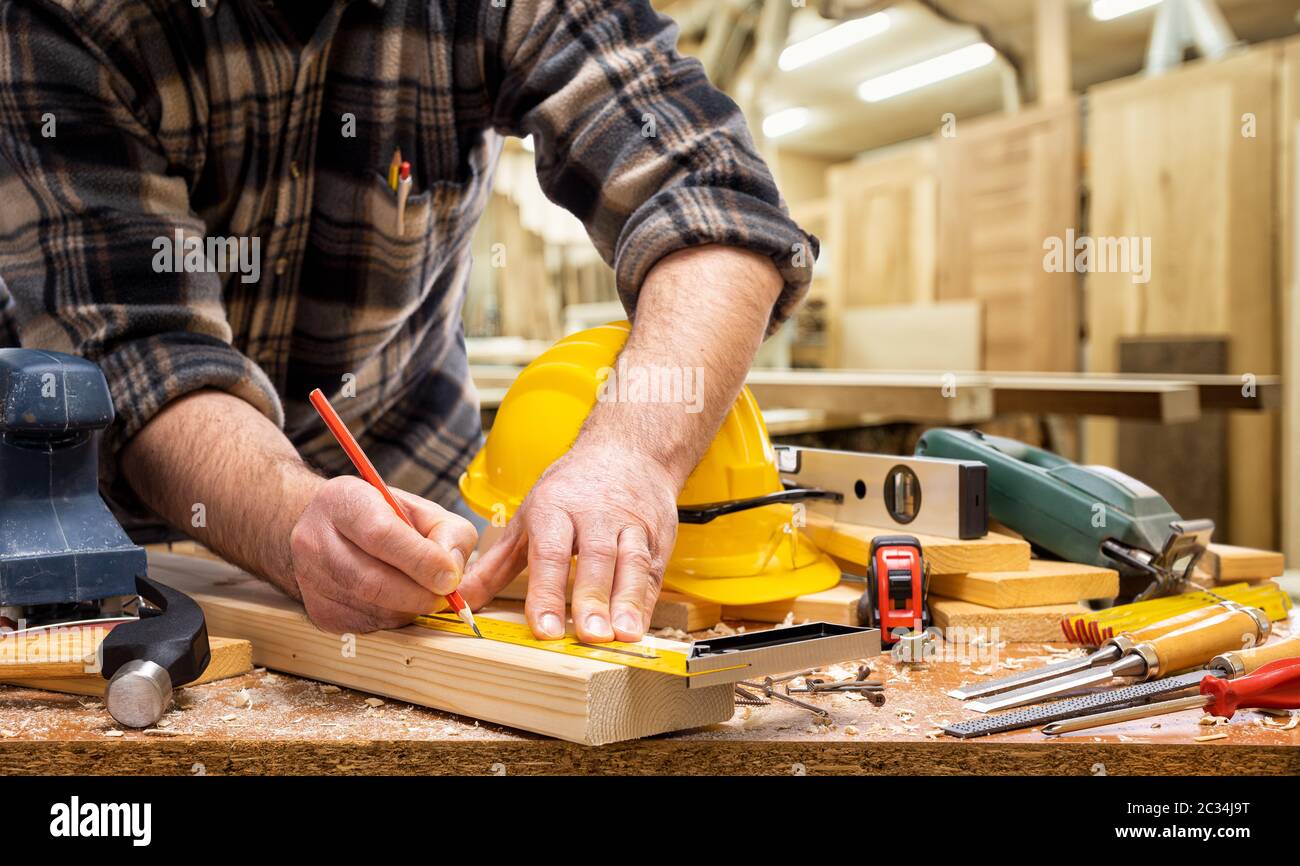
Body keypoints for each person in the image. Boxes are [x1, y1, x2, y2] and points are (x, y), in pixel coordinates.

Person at [0, 0, 815, 642]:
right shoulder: (65, 17)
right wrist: (290, 519)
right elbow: (144, 361)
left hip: (429, 532)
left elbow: (716, 203)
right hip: (147, 559)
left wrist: (631, 454)